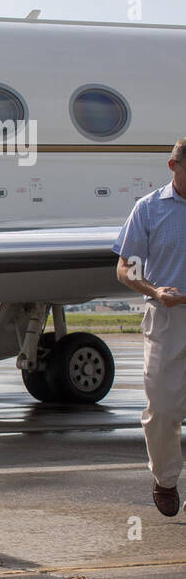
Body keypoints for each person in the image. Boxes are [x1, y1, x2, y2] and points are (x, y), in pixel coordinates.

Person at [114, 137, 186, 518]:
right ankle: (166, 479)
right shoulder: (149, 209)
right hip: (167, 317)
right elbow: (125, 269)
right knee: (162, 409)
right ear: (173, 167)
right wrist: (154, 289)